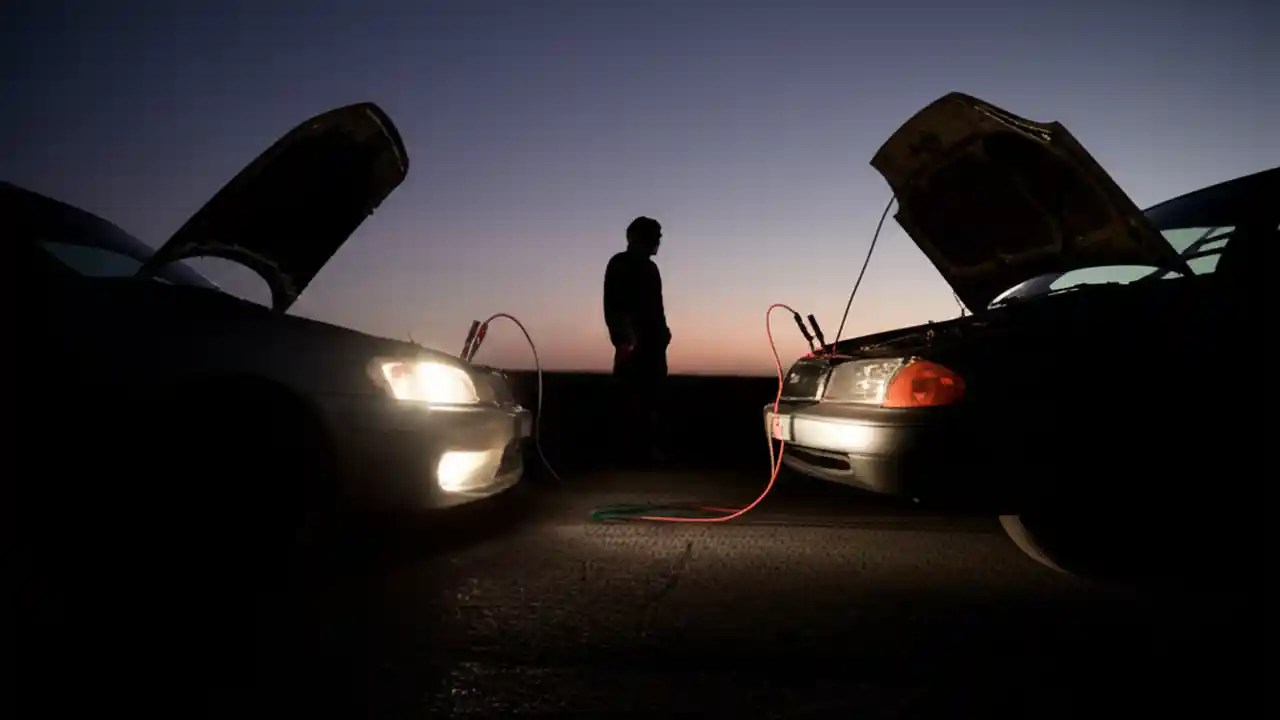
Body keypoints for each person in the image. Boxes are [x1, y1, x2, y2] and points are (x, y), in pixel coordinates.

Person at [603, 216, 671, 465]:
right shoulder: (621, 263)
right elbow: (614, 305)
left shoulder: (651, 269)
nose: (659, 239)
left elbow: (656, 308)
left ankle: (646, 450)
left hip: (653, 346)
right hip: (634, 347)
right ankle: (629, 453)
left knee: (652, 399)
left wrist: (663, 334)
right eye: (655, 234)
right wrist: (624, 340)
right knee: (631, 399)